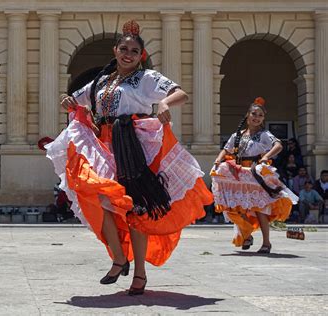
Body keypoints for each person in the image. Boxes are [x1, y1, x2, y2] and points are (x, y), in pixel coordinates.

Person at [45, 20, 213, 295]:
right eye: (124, 48)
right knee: (103, 199)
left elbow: (179, 93)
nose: (128, 54)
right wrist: (68, 102)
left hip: (134, 146)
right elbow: (77, 102)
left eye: (134, 51)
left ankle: (140, 275)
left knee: (137, 209)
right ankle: (119, 258)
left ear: (141, 56)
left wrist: (164, 103)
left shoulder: (146, 79)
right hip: (106, 145)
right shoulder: (102, 80)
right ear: (115, 50)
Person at [211, 97, 298, 253]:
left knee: (260, 208)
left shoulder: (264, 134)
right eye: (254, 114)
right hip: (238, 173)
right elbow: (226, 149)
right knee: (235, 207)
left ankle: (266, 243)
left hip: (255, 173)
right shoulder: (238, 135)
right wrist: (218, 159)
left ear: (263, 119)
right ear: (247, 115)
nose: (256, 118)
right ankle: (247, 235)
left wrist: (266, 156)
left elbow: (278, 145)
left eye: (260, 115)